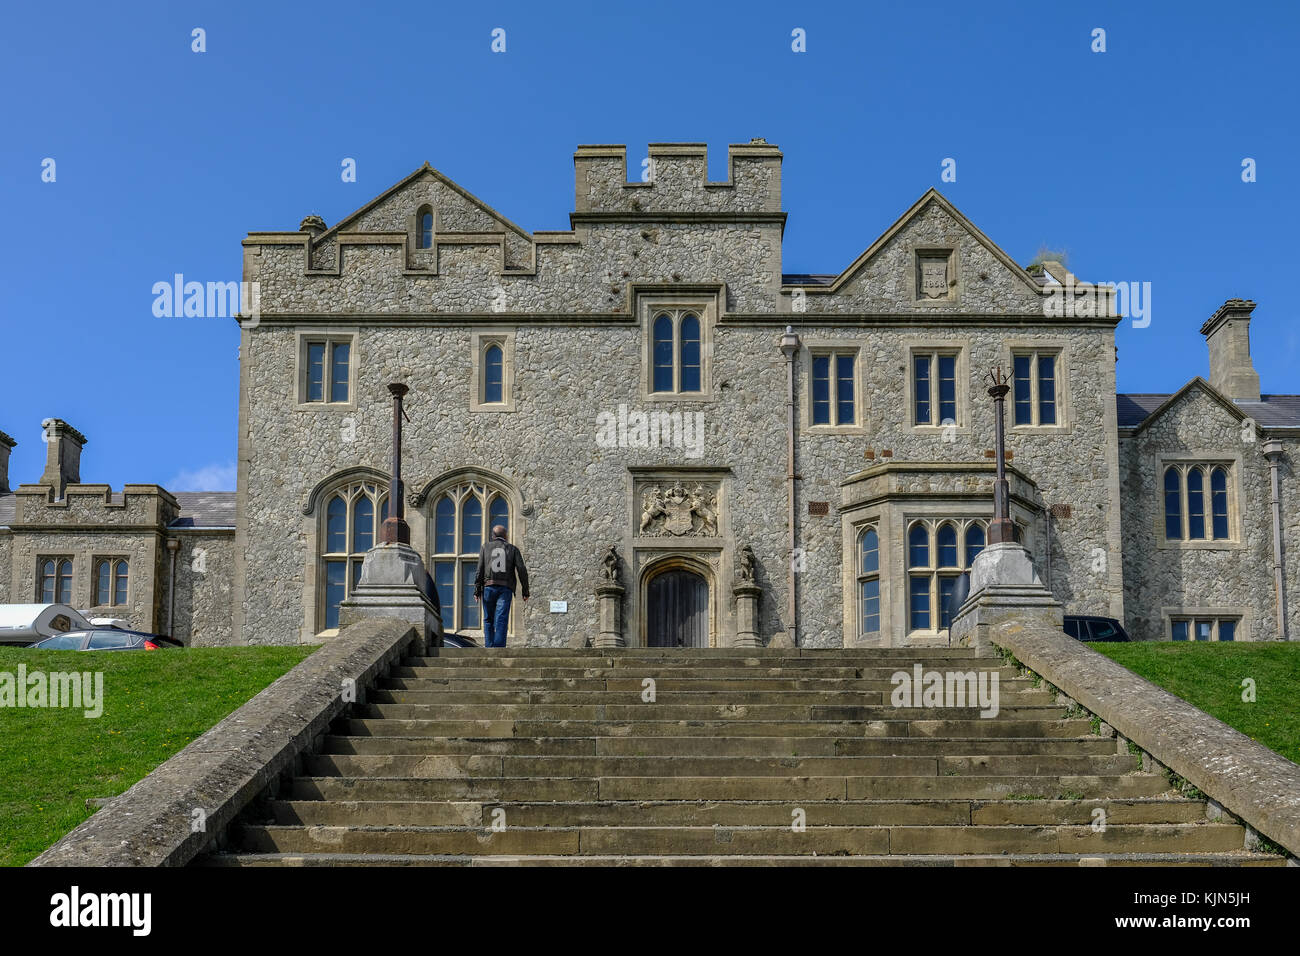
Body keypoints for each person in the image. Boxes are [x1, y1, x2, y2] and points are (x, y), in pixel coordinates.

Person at [474, 524, 529, 648]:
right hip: (505, 589)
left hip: (488, 587)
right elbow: (522, 570)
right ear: (506, 536)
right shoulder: (513, 549)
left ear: (493, 536)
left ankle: (489, 647)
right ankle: (499, 649)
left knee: (488, 619)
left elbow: (479, 570)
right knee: (501, 619)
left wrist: (477, 591)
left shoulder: (485, 547)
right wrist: (525, 591)